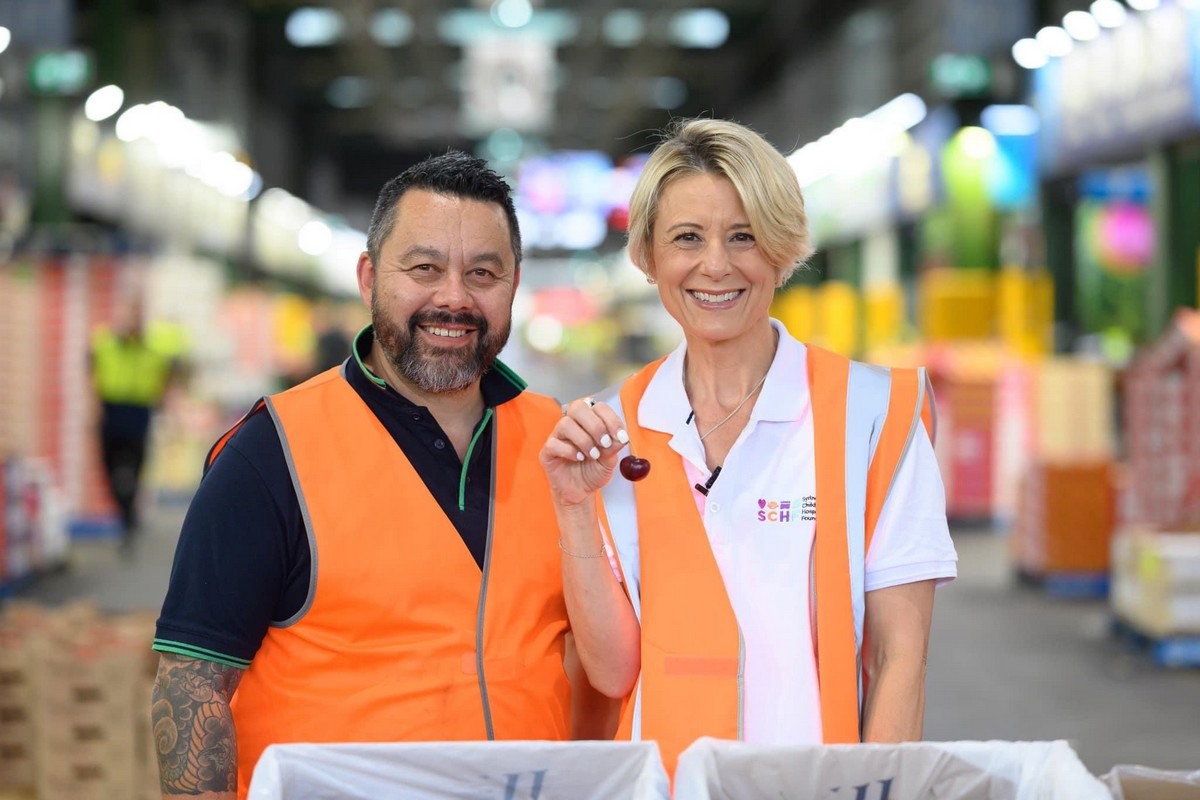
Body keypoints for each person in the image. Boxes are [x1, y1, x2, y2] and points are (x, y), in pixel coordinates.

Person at [151, 152, 606, 800]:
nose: (454, 297)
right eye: (424, 269)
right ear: (369, 278)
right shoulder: (272, 452)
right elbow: (191, 681)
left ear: (513, 285)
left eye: (483, 272)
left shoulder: (560, 447)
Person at [540, 118, 958, 772]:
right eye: (687, 238)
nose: (716, 265)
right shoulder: (610, 430)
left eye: (744, 236)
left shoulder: (877, 415)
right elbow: (615, 670)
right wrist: (572, 507)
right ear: (648, 255)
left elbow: (898, 658)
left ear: (782, 248)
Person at [89, 295, 178, 548]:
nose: (131, 323)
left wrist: (163, 399)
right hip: (112, 409)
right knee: (108, 464)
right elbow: (91, 372)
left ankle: (128, 515)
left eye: (136, 317)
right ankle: (126, 513)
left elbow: (170, 372)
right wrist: (94, 405)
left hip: (139, 410)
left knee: (136, 466)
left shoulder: (154, 348)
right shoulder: (104, 344)